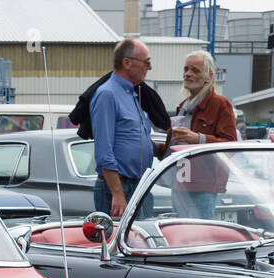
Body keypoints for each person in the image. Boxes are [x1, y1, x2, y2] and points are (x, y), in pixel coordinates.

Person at [165, 51, 237, 219]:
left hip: (203, 187)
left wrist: (199, 139)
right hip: (179, 184)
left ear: (209, 76)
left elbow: (231, 144)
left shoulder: (220, 104)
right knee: (181, 239)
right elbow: (174, 147)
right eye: (186, 69)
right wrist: (151, 146)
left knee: (200, 238)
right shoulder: (183, 106)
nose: (187, 74)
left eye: (195, 70)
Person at [91, 37, 154, 218]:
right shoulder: (107, 94)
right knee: (119, 245)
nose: (149, 68)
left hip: (139, 187)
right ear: (127, 63)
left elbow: (134, 139)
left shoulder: (132, 94)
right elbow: (104, 150)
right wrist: (117, 193)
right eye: (147, 62)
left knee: (142, 244)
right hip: (119, 189)